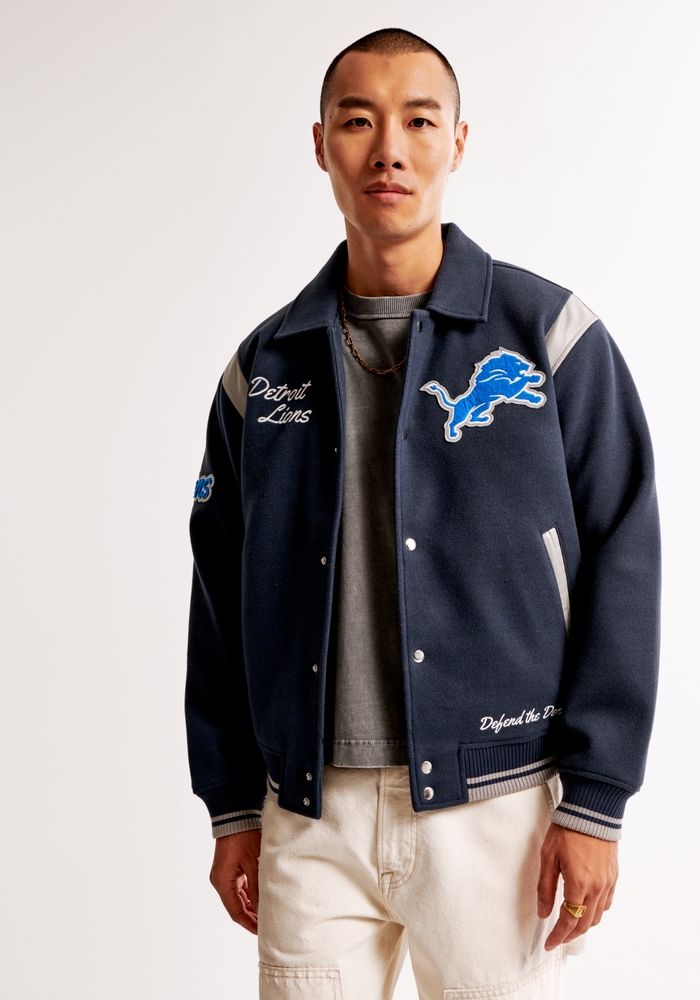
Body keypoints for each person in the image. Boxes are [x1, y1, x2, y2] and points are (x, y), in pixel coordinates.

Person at [186, 27, 660, 1000]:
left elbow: (624, 555)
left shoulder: (551, 339)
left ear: (458, 141)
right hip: (308, 814)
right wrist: (231, 802)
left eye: (418, 120)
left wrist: (596, 800)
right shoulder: (263, 369)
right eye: (358, 121)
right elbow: (219, 588)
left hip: (498, 808)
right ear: (320, 143)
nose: (388, 150)